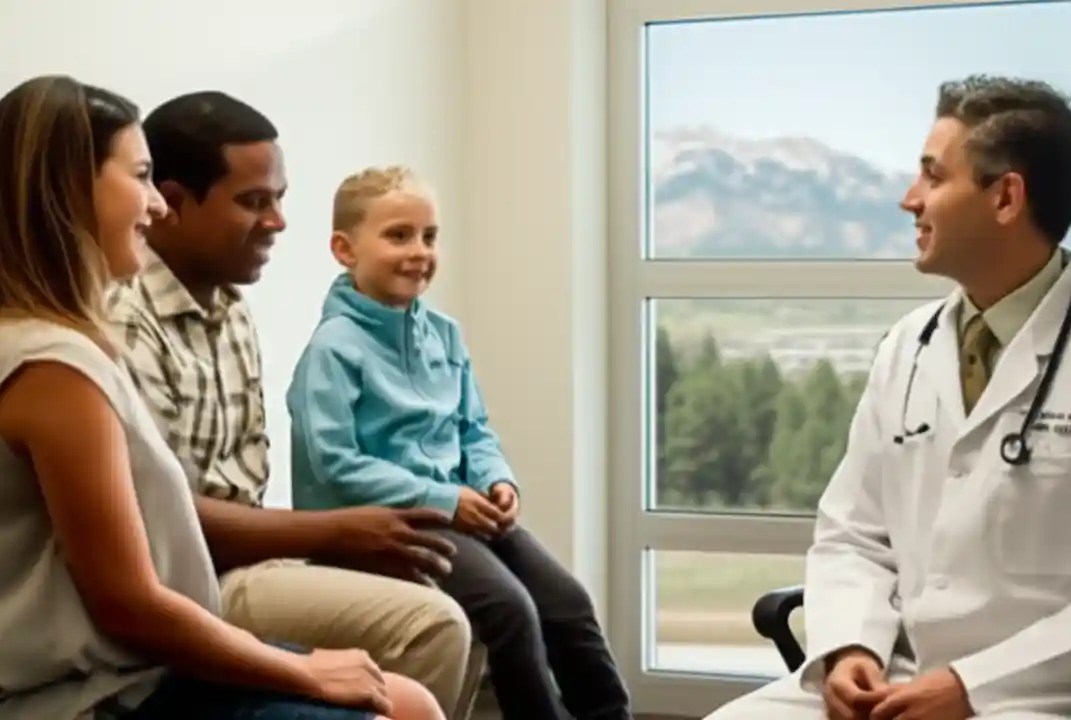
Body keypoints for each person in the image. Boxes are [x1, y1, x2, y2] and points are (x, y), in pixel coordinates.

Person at [707, 75, 1071, 720]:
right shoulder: (908, 346)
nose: (908, 199)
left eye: (932, 177)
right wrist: (850, 649)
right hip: (891, 677)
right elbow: (854, 534)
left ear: (1006, 197)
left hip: (1033, 698)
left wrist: (971, 685)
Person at [0, 74, 442, 720]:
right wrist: (303, 671)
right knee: (391, 705)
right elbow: (128, 603)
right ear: (71, 190)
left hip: (140, 662)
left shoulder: (66, 343)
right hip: (95, 692)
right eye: (142, 177)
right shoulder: (55, 367)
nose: (155, 205)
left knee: (413, 701)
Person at [103, 92, 484, 720]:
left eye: (279, 198)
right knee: (433, 625)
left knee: (465, 599)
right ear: (168, 202)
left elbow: (243, 489)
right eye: (254, 202)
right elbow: (158, 522)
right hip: (189, 582)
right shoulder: (127, 322)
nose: (278, 221)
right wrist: (335, 529)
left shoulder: (232, 312)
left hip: (249, 559)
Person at [285, 166, 632, 720]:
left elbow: (473, 428)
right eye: (398, 235)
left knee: (567, 604)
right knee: (509, 608)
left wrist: (497, 478)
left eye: (429, 236)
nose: (419, 251)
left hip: (458, 509)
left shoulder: (443, 333)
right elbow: (335, 463)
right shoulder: (332, 349)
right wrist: (443, 500)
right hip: (384, 524)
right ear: (344, 249)